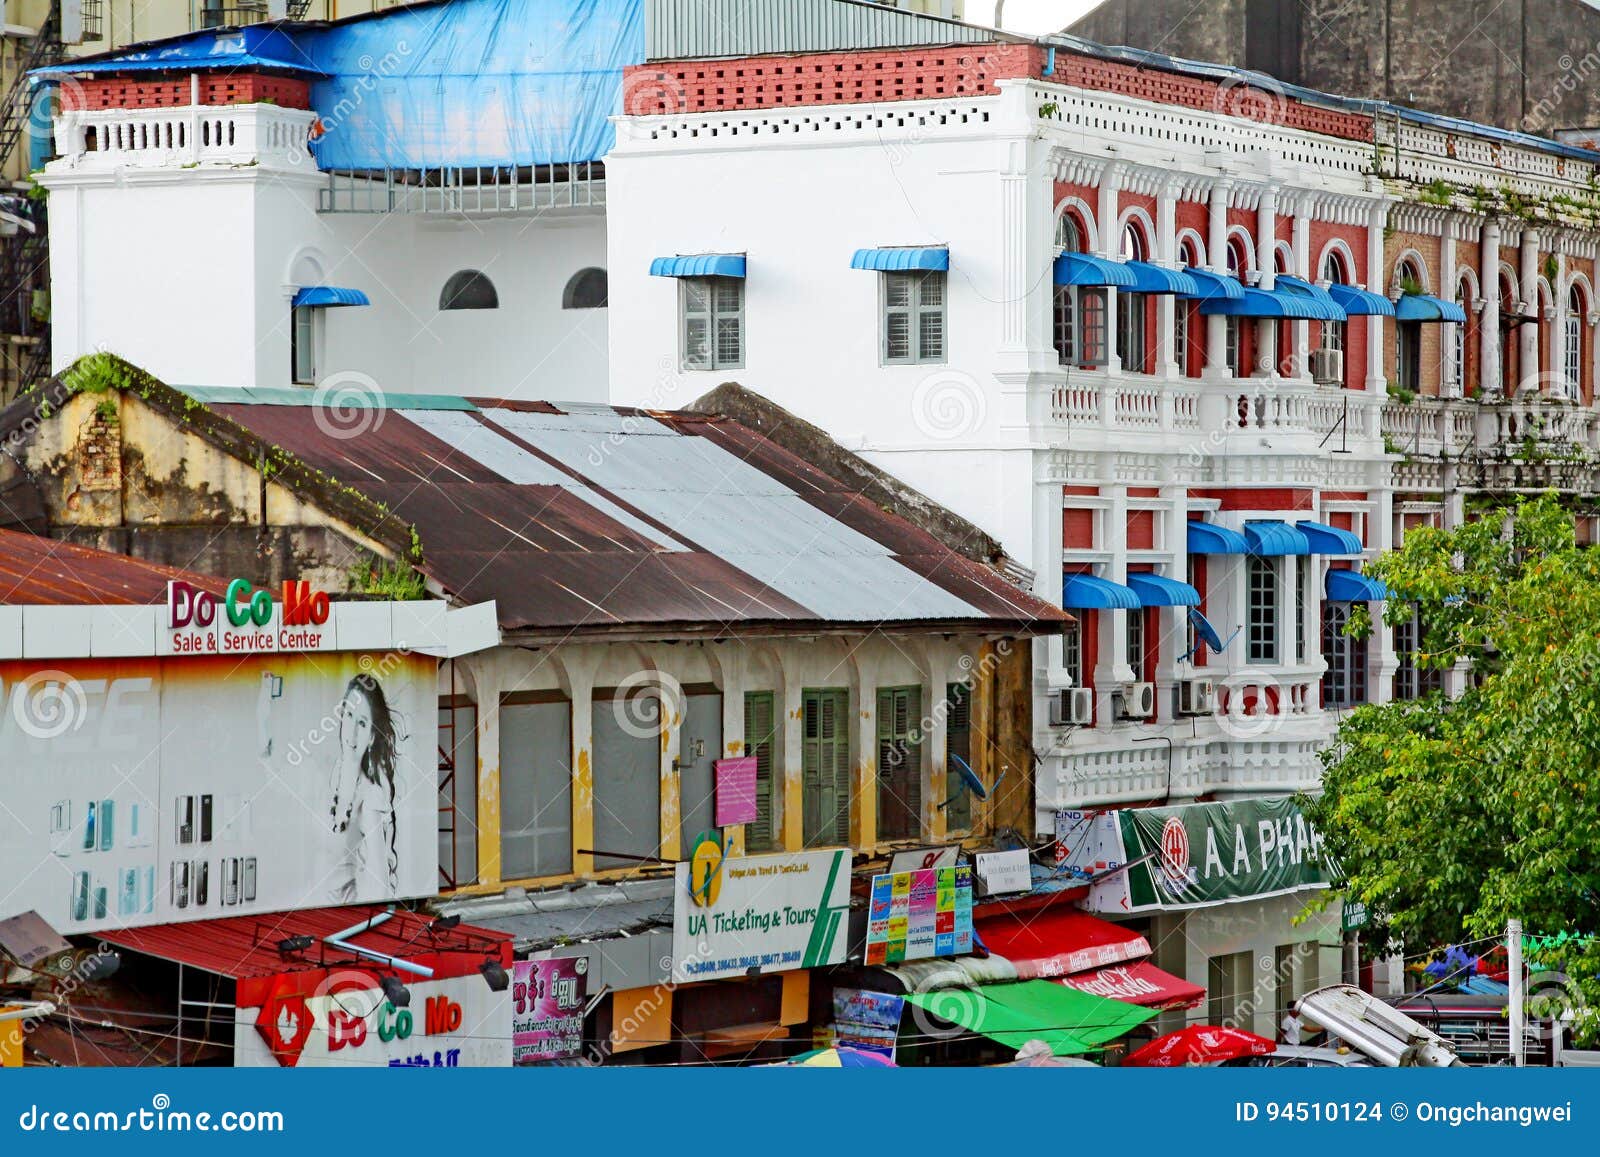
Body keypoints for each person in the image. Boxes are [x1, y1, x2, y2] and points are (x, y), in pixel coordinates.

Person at [327, 674, 402, 901]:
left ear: (371, 737)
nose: (351, 731)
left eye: (361, 723)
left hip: (341, 924)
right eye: (349, 715)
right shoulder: (332, 776)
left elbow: (380, 885)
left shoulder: (370, 796)